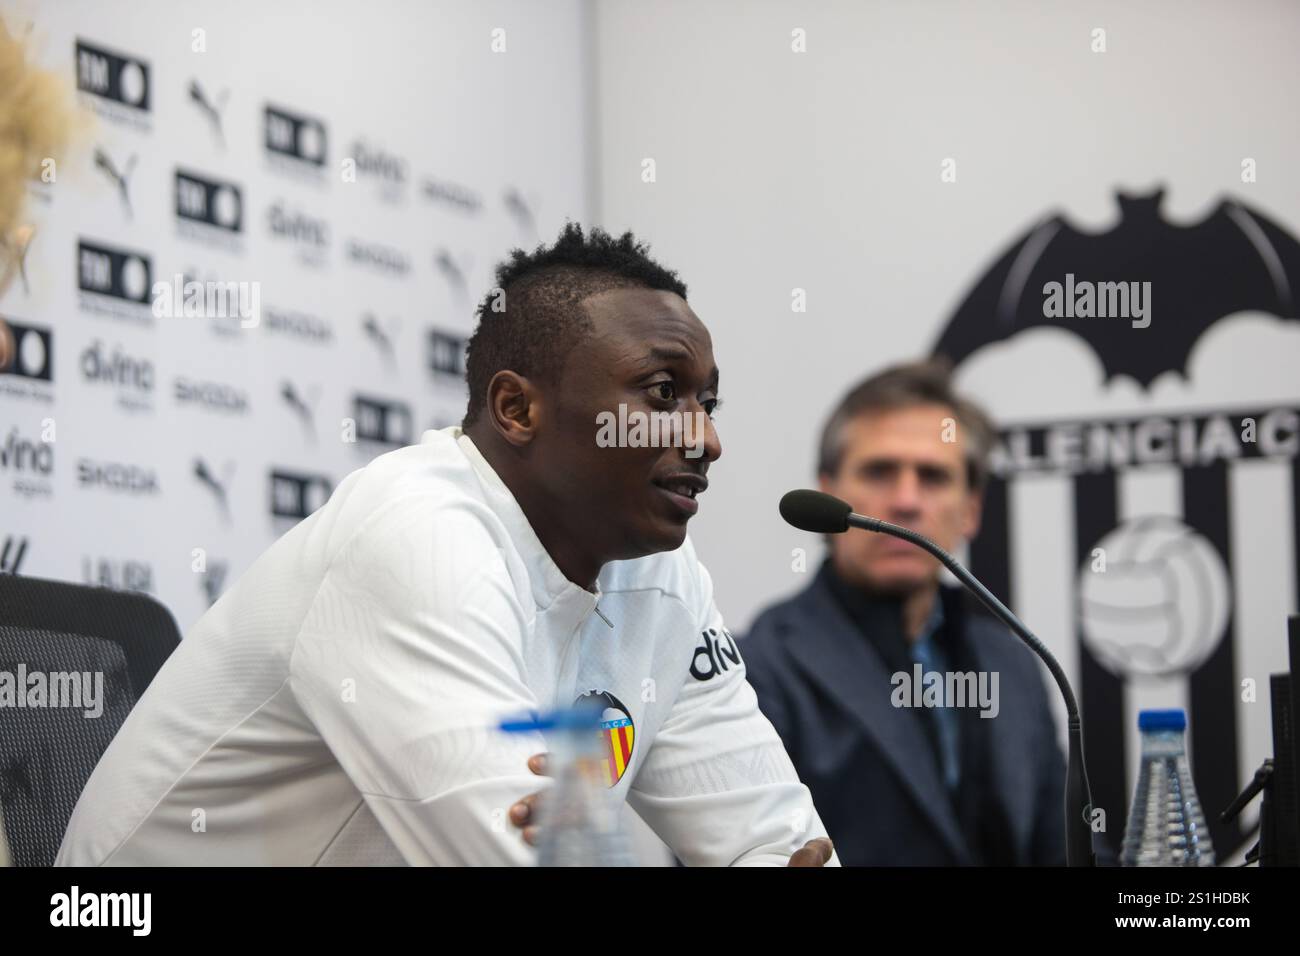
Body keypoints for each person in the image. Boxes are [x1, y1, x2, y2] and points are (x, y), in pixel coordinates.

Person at [56, 223, 836, 866]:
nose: (706, 438)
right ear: (517, 409)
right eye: (663, 394)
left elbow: (776, 842)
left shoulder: (663, 575)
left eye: (708, 402)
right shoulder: (416, 538)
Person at [741, 360, 1067, 865]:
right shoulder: (760, 668)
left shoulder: (1014, 662)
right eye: (879, 472)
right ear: (827, 494)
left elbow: (1067, 849)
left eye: (933, 477)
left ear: (971, 510)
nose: (906, 501)